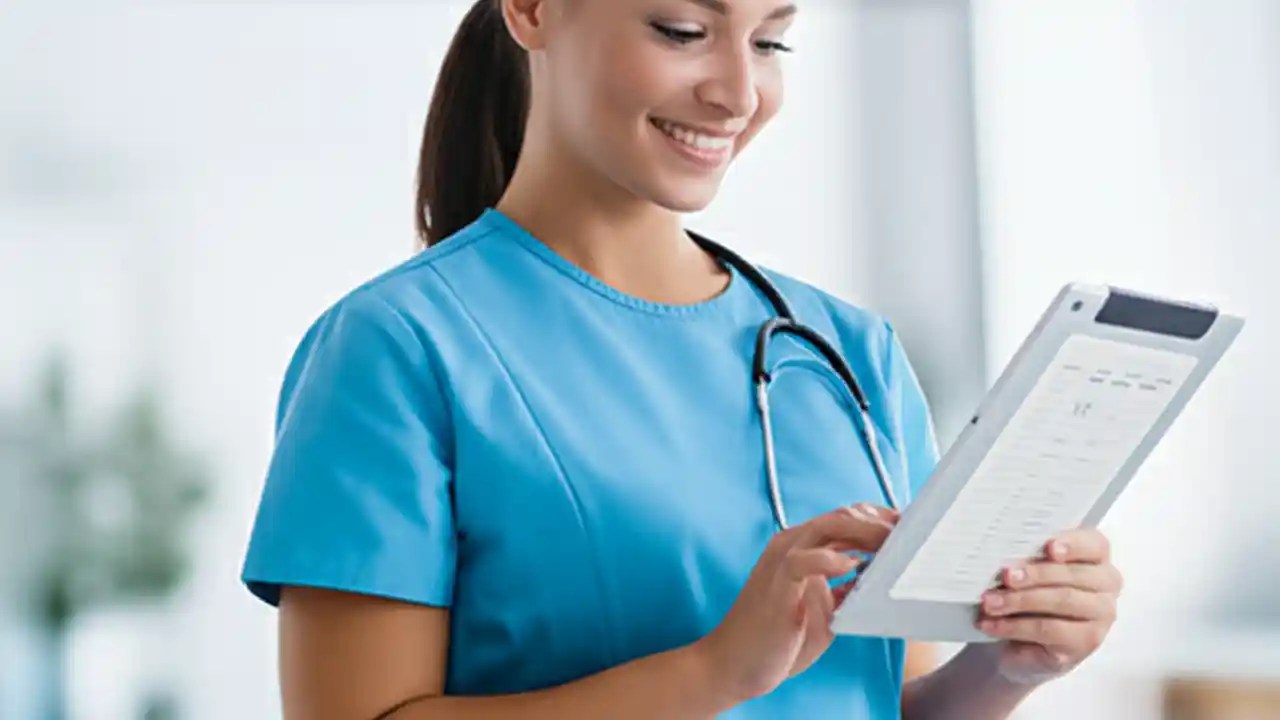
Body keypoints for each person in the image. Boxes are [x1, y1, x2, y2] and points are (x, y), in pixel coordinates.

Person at [240, 1, 1125, 717]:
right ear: (532, 10)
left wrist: (1007, 669)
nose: (739, 93)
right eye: (683, 32)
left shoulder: (852, 354)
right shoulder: (398, 347)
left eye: (772, 40)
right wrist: (709, 675)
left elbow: (882, 703)